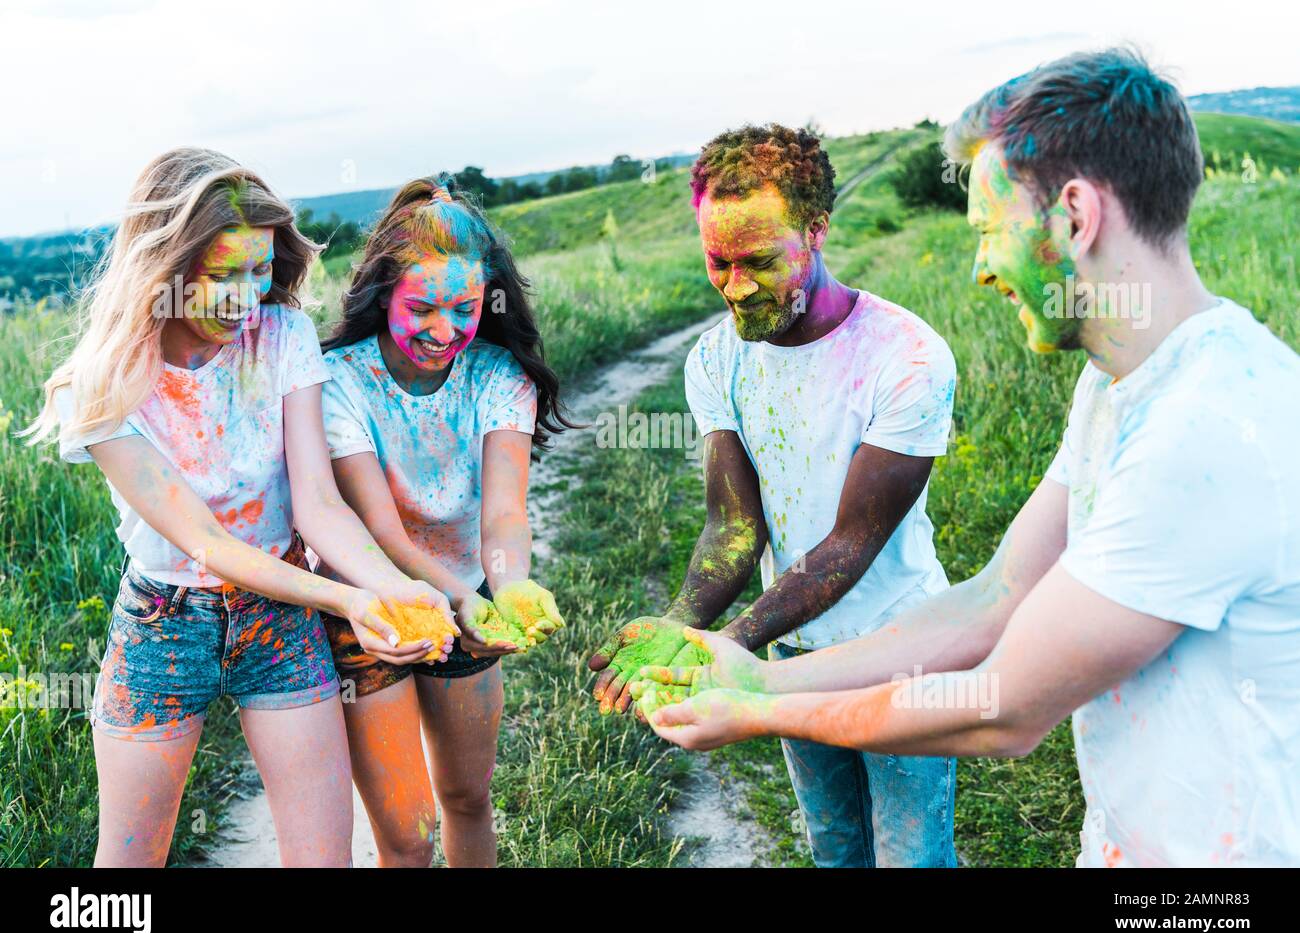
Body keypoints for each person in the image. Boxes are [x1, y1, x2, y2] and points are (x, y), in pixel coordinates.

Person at [635, 49, 1300, 867]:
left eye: (990, 230)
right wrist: (755, 675)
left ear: (1075, 216)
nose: (983, 267)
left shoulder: (1209, 425)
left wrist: (759, 710)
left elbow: (1005, 707)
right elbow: (996, 597)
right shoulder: (1115, 387)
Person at [25, 148, 453, 867]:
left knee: (324, 859)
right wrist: (350, 600)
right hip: (166, 624)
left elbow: (318, 504)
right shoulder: (102, 386)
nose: (247, 298)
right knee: (126, 868)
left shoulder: (282, 337)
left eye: (261, 271)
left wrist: (393, 586)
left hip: (280, 621)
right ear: (163, 266)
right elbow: (207, 543)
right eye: (224, 274)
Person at [590, 124, 960, 867]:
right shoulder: (715, 360)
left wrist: (732, 646)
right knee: (835, 849)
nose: (735, 286)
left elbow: (850, 542)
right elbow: (733, 526)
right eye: (717, 262)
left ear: (816, 230)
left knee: (912, 857)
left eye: (759, 261)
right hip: (791, 649)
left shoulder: (907, 355)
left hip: (901, 649)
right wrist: (678, 631)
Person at [316, 177, 569, 867]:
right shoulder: (337, 379)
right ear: (382, 294)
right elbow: (381, 532)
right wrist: (455, 599)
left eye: (463, 309)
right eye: (422, 307)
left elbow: (505, 512)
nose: (444, 330)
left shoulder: (496, 374)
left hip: (468, 592)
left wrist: (507, 585)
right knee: (407, 834)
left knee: (466, 798)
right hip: (371, 611)